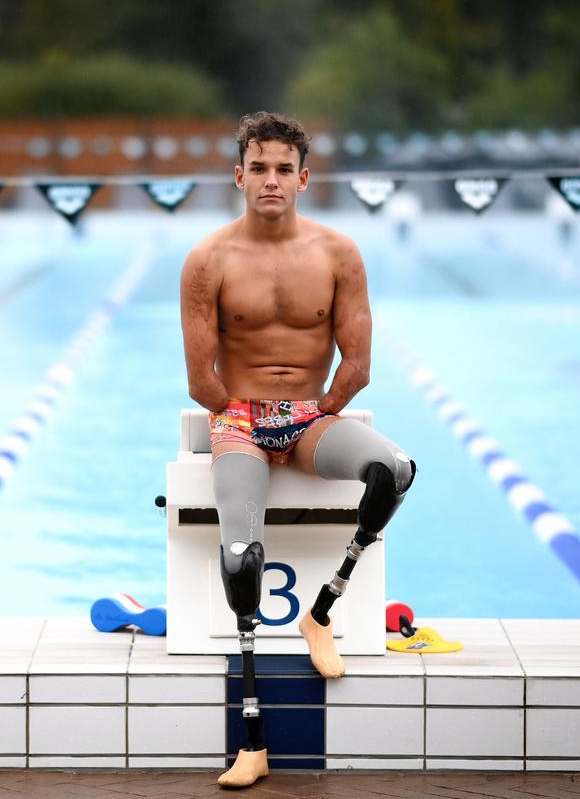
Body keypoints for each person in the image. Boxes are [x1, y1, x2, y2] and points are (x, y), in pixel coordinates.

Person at [179, 112, 417, 789]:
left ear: (304, 178)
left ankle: (322, 612)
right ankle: (253, 742)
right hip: (239, 420)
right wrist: (249, 423)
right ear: (239, 176)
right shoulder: (208, 260)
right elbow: (202, 379)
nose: (272, 179)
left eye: (284, 168)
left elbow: (359, 363)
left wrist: (311, 418)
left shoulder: (339, 254)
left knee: (394, 473)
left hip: (310, 416)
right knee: (239, 556)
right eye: (259, 167)